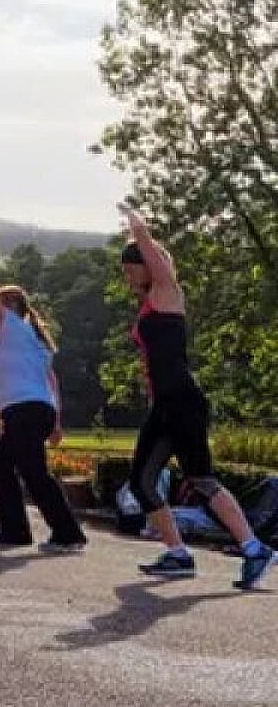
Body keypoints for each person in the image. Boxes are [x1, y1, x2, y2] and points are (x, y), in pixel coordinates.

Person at [119, 205, 274, 588]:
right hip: (166, 405)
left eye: (129, 267)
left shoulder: (167, 291)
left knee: (202, 481)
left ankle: (255, 550)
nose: (125, 275)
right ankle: (178, 554)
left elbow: (156, 257)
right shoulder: (148, 303)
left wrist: (136, 226)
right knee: (141, 482)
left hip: (183, 402)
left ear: (146, 265)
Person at [0, 250, 87, 552]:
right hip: (34, 410)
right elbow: (51, 381)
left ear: (9, 307)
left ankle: (67, 533)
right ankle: (16, 531)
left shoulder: (10, 327)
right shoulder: (30, 337)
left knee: (31, 472)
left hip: (25, 411)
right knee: (4, 467)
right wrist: (56, 420)